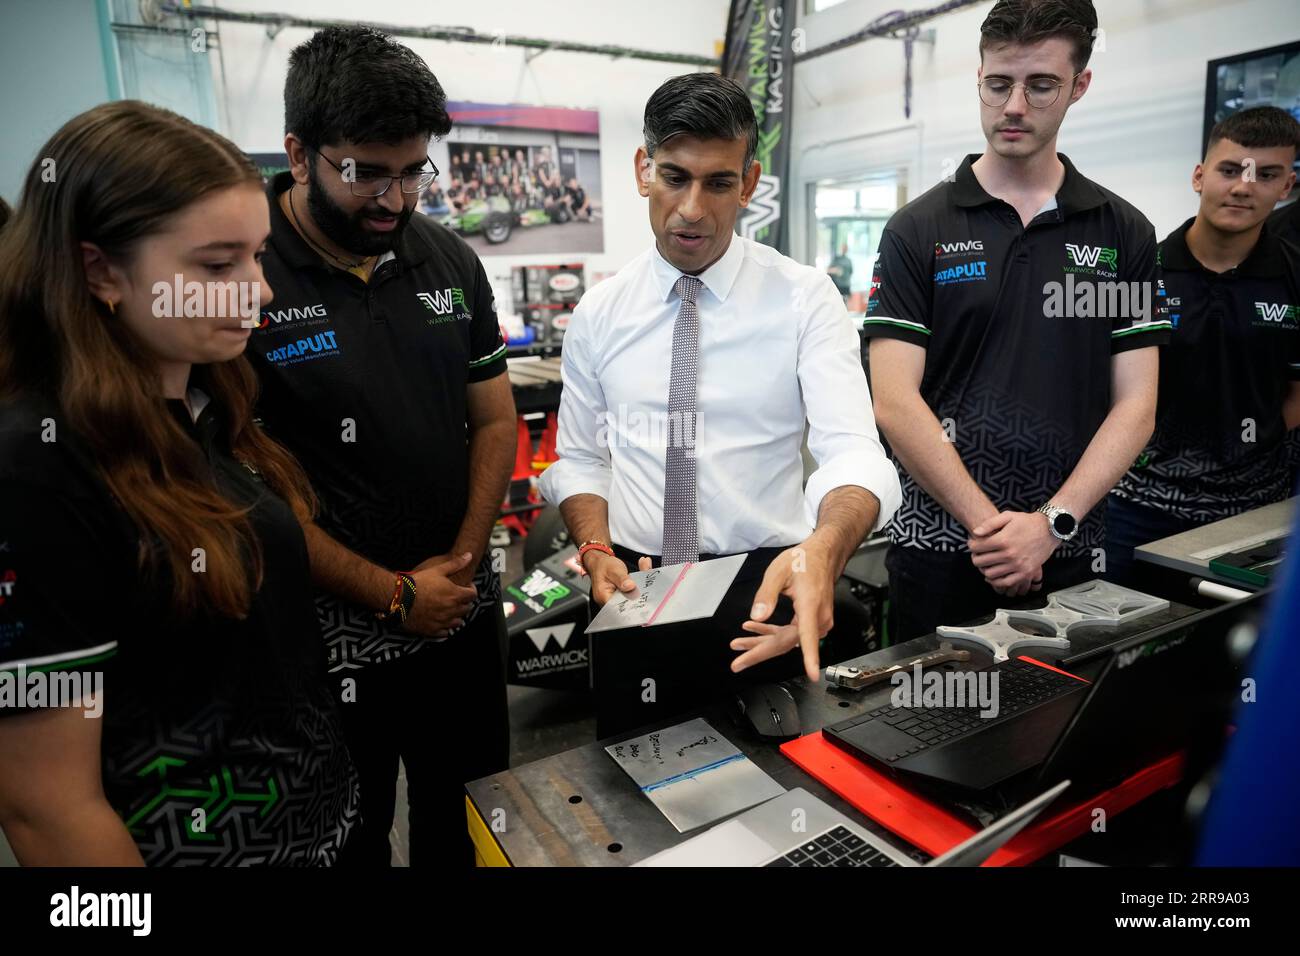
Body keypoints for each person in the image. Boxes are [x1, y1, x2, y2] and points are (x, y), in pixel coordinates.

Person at [0, 100, 356, 865]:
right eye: (218, 265)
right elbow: (47, 811)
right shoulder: (37, 467)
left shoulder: (202, 403)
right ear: (101, 270)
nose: (258, 291)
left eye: (258, 257)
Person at [538, 71, 900, 702]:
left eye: (719, 182)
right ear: (642, 170)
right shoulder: (599, 313)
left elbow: (854, 452)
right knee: (630, 783)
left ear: (750, 184)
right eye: (674, 176)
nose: (692, 210)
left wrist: (826, 551)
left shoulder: (803, 299)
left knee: (783, 789)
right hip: (634, 583)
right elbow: (580, 459)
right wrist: (594, 548)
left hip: (767, 588)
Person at [248, 25, 516, 867]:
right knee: (346, 837)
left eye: (414, 171)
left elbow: (497, 420)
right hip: (321, 630)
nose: (396, 201)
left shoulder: (448, 258)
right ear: (300, 153)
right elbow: (242, 481)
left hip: (458, 611)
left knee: (468, 815)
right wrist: (391, 594)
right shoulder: (240, 270)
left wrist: (463, 562)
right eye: (367, 172)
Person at [864, 0, 1167, 642]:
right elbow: (893, 400)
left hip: (1070, 550)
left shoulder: (1123, 233)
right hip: (938, 548)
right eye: (998, 83)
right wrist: (992, 530)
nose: (1014, 106)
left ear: (1079, 86)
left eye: (1041, 85)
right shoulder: (920, 229)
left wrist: (1049, 525)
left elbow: (1137, 404)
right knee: (921, 727)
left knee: (1061, 734)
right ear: (979, 77)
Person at [1107, 107, 1300, 586]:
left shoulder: (1296, 278)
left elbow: (1296, 397)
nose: (1243, 187)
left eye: (1266, 175)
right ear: (1199, 176)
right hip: (1134, 505)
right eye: (1230, 170)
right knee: (1114, 654)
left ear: (1287, 187)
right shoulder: (1139, 271)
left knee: (1225, 658)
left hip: (1253, 514)